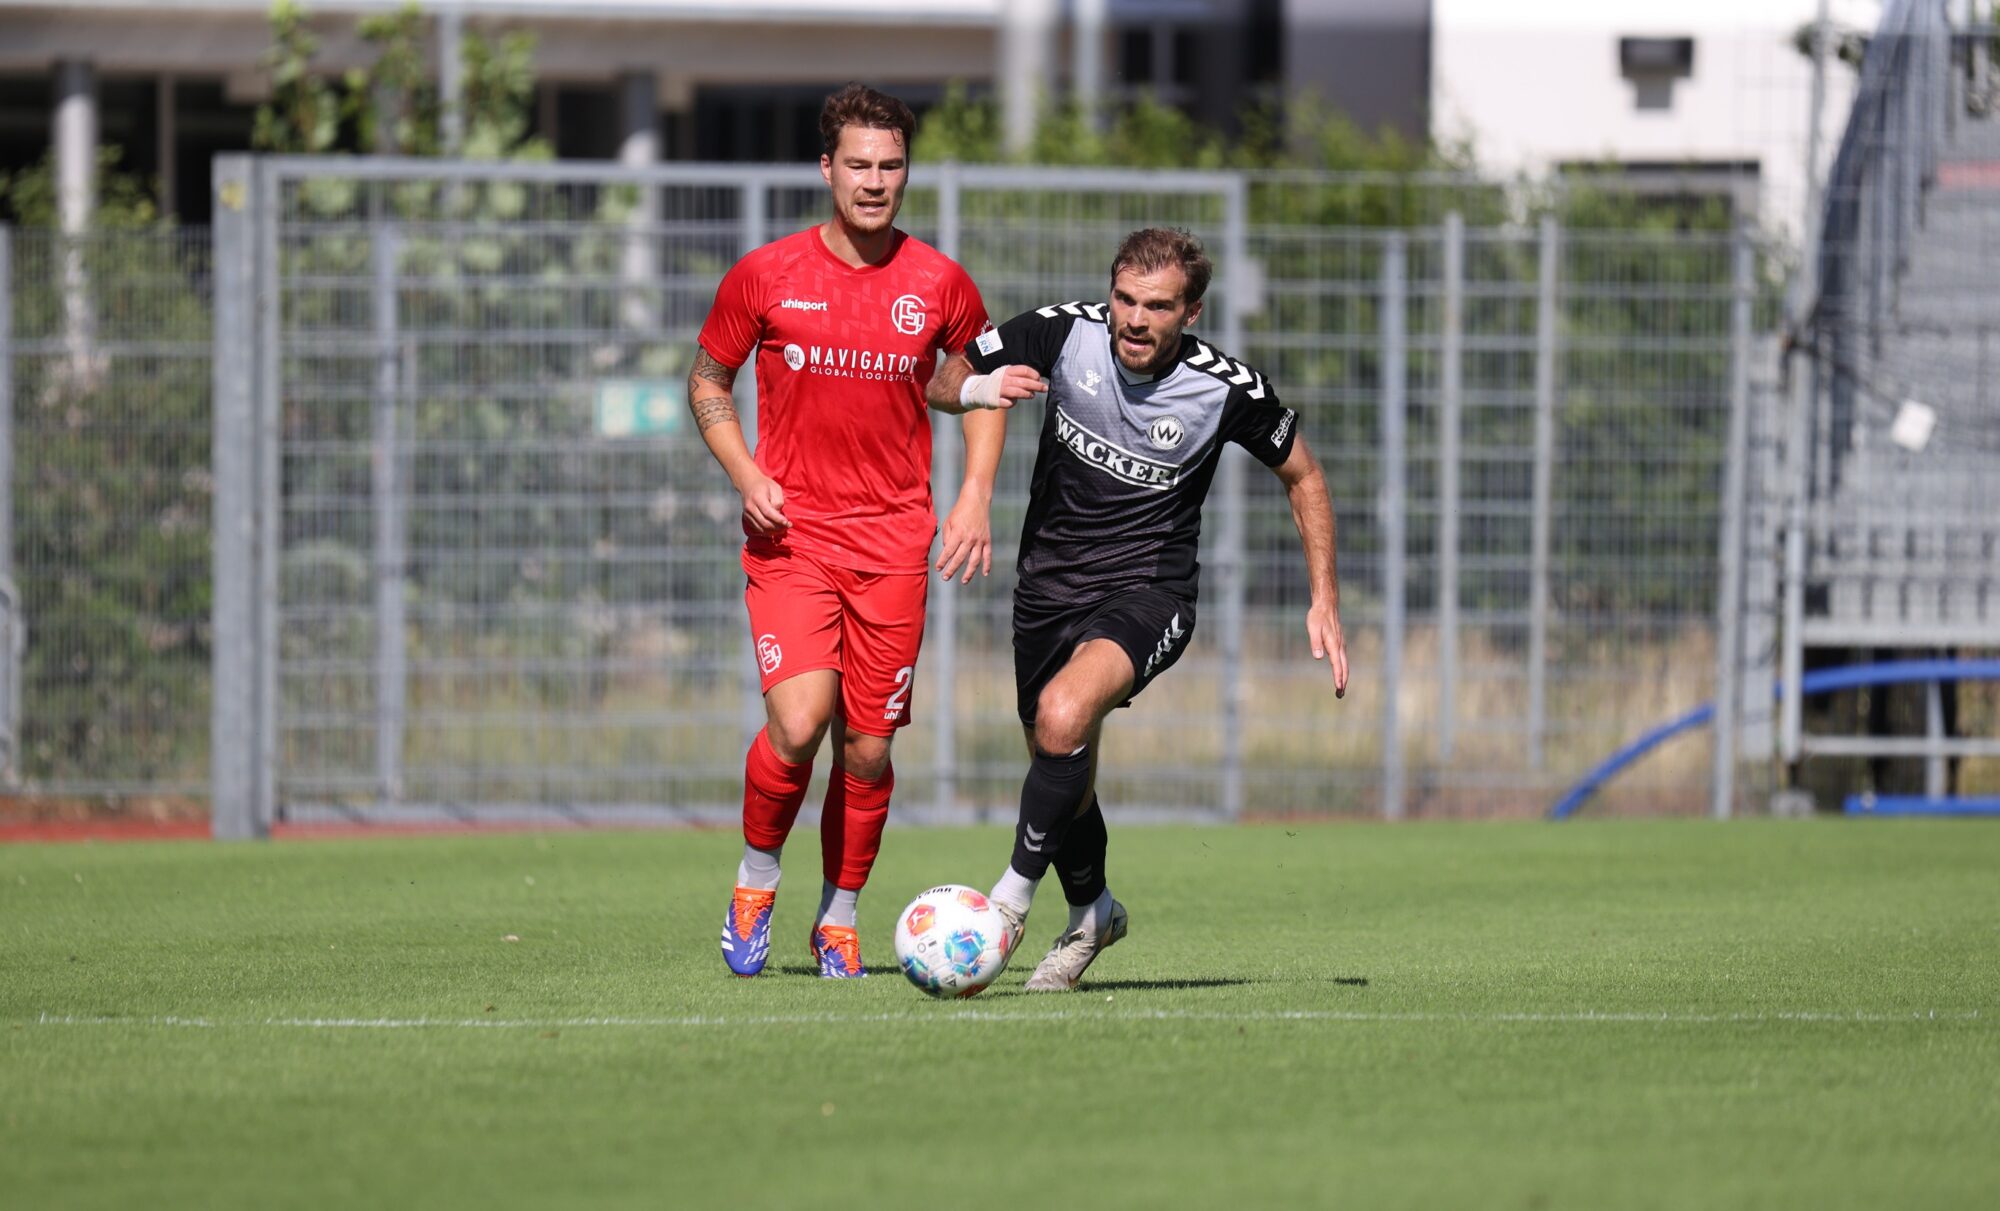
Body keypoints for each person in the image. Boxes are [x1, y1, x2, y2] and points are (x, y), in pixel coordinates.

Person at [926, 226, 1350, 991]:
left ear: (1191, 312)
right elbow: (942, 379)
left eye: (1157, 306)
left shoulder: (1228, 389)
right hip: (1045, 589)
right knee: (1062, 766)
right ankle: (1093, 911)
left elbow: (1306, 477)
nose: (1134, 319)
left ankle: (1006, 907)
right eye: (1125, 298)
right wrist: (981, 390)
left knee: (1062, 715)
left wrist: (1324, 596)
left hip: (1149, 593)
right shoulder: (1061, 332)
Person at [690, 84, 1043, 979]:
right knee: (802, 722)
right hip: (795, 535)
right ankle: (756, 878)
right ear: (827, 169)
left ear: (905, 173)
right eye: (858, 165)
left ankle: (839, 913)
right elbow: (706, 384)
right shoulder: (766, 275)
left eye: (890, 166)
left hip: (893, 542)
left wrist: (973, 497)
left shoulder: (939, 282)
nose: (874, 181)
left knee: (872, 745)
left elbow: (978, 385)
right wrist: (748, 472)